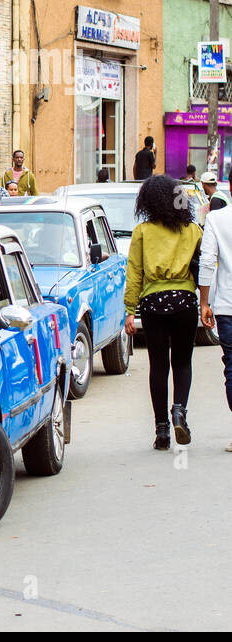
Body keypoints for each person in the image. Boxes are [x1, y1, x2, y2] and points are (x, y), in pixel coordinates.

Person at [125, 175, 203, 450]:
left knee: (159, 366)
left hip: (153, 303)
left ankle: (161, 432)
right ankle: (179, 410)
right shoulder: (192, 229)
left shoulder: (143, 231)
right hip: (184, 302)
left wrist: (129, 310)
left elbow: (134, 272)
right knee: (182, 363)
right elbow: (202, 268)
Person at [198, 189, 232, 452]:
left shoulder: (216, 219)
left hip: (227, 306)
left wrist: (204, 302)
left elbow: (207, 261)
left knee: (231, 368)